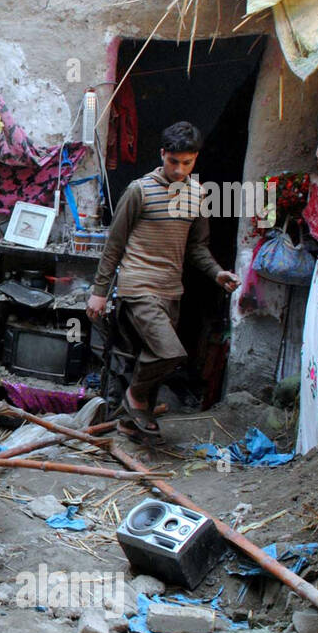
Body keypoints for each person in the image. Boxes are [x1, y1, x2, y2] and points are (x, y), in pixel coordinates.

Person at [86, 121, 241, 439]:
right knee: (169, 352)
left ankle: (131, 423)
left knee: (154, 355)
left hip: (171, 289)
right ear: (162, 155)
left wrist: (216, 272)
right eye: (174, 161)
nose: (180, 169)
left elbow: (197, 247)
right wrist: (99, 292)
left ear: (195, 158)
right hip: (137, 286)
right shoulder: (138, 190)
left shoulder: (198, 195)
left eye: (187, 162)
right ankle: (136, 398)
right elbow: (114, 246)